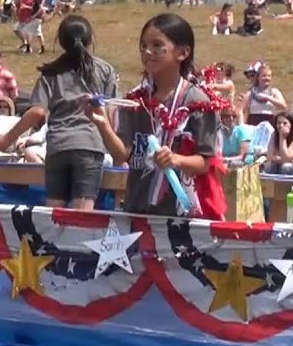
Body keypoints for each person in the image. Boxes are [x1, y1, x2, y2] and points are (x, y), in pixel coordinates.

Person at [86, 13, 229, 219]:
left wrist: (176, 160)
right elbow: (121, 155)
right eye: (143, 46)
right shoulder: (136, 101)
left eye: (156, 45)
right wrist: (101, 123)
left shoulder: (198, 102)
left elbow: (205, 162)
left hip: (181, 215)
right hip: (137, 210)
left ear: (183, 52)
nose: (147, 52)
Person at [0, 15, 117, 209]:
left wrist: (6, 140)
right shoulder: (105, 71)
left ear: (59, 41)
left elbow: (37, 112)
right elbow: (111, 112)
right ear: (91, 39)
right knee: (83, 215)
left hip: (58, 146)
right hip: (89, 146)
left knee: (53, 216)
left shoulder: (51, 72)